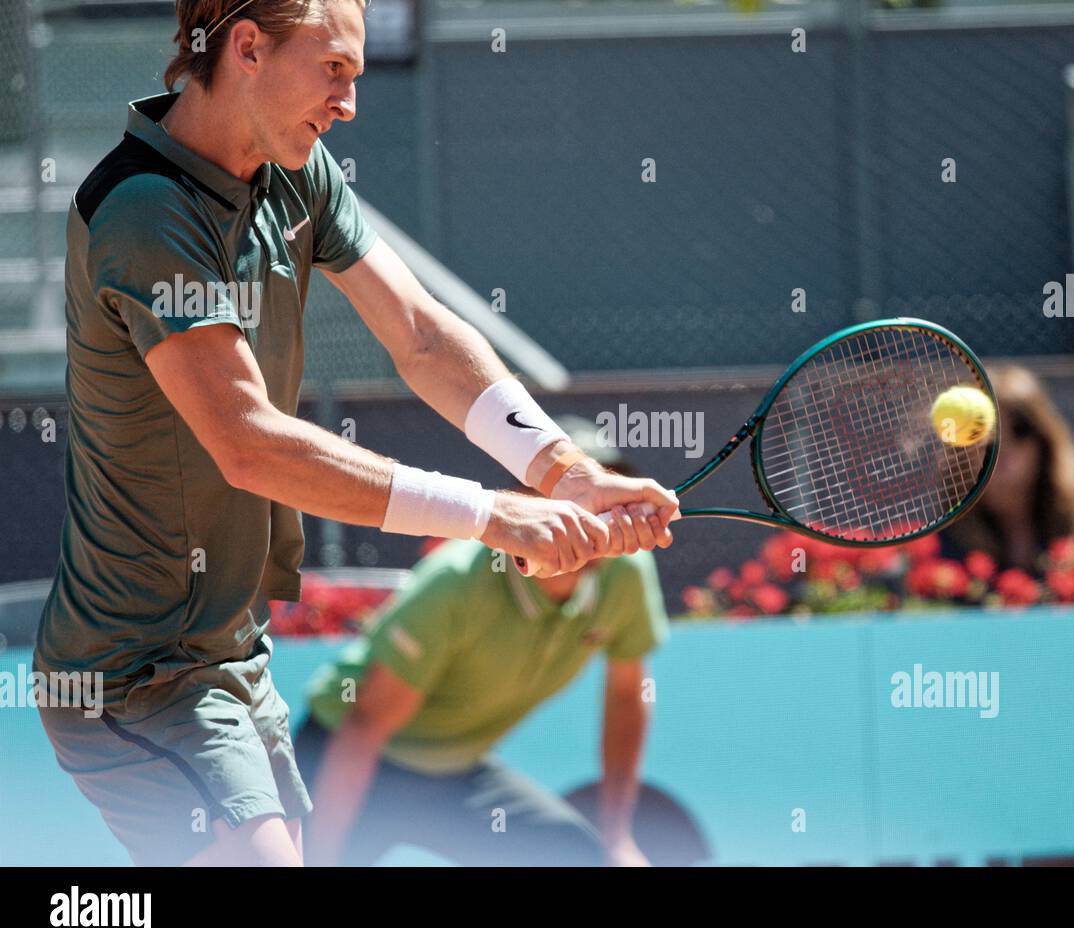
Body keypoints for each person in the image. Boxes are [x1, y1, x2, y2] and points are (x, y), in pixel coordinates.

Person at [33, 0, 678, 868]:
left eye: (356, 75)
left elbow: (416, 331)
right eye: (333, 68)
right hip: (131, 676)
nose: (348, 101)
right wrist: (491, 515)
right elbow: (249, 442)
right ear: (249, 47)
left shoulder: (296, 171)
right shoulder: (146, 210)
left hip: (232, 655)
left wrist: (562, 471)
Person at [295, 421, 666, 867]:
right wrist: (320, 860)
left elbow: (628, 697)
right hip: (345, 756)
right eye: (575, 494)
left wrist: (617, 839)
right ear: (529, 503)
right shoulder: (456, 582)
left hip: (454, 770)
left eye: (605, 496)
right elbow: (364, 728)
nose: (595, 514)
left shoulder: (626, 573)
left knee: (583, 858)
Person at [939, 365, 1074, 573]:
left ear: (1045, 442)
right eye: (984, 435)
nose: (1003, 450)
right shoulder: (940, 547)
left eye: (1021, 429)